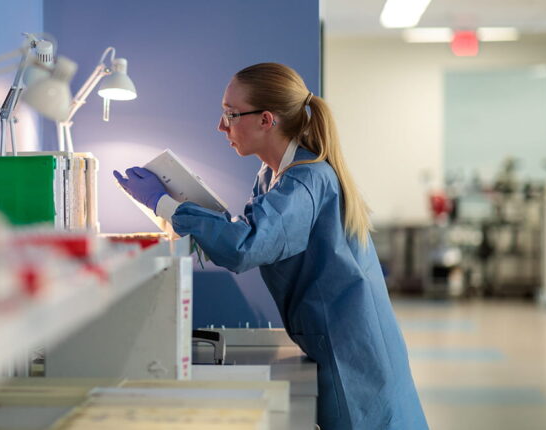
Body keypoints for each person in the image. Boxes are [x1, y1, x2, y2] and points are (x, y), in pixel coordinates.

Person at [114, 63, 429, 430]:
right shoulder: (272, 175)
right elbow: (251, 230)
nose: (221, 126)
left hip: (351, 352)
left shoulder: (306, 180)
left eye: (230, 114)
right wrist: (190, 212)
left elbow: (247, 246)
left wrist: (165, 204)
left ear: (267, 120)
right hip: (340, 341)